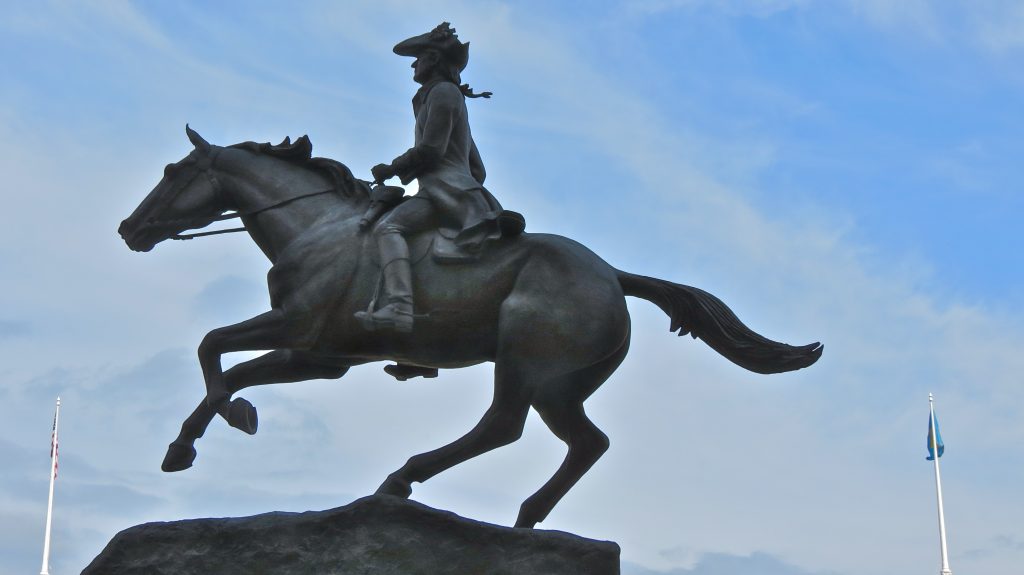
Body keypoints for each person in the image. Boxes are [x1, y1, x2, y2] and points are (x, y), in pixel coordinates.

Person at [356, 22, 520, 334]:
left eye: (418, 58)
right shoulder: (443, 95)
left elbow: (431, 149)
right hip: (449, 190)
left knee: (389, 227)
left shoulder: (443, 92)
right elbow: (478, 169)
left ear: (433, 59)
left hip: (445, 192)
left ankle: (401, 308)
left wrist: (391, 168)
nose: (414, 64)